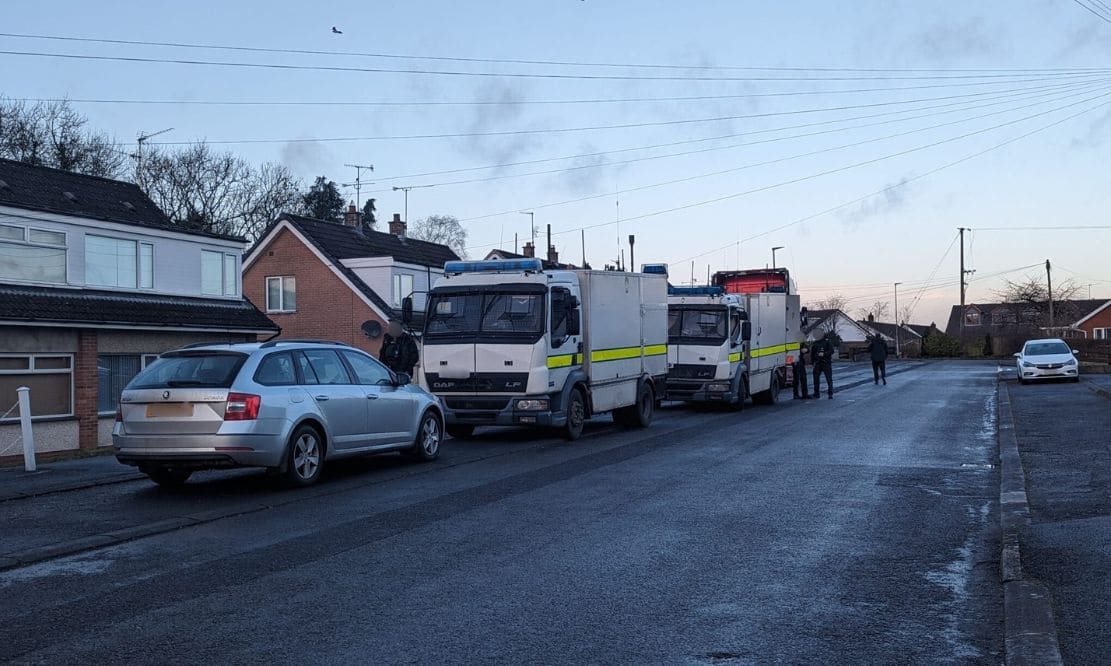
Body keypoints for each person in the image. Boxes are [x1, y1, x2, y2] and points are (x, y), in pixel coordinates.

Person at [811, 332, 835, 400]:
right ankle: (816, 394)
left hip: (826, 362)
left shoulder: (827, 342)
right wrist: (812, 362)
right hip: (817, 363)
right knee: (816, 379)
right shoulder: (815, 343)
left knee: (829, 379)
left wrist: (824, 354)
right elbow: (812, 353)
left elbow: (831, 351)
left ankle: (830, 394)